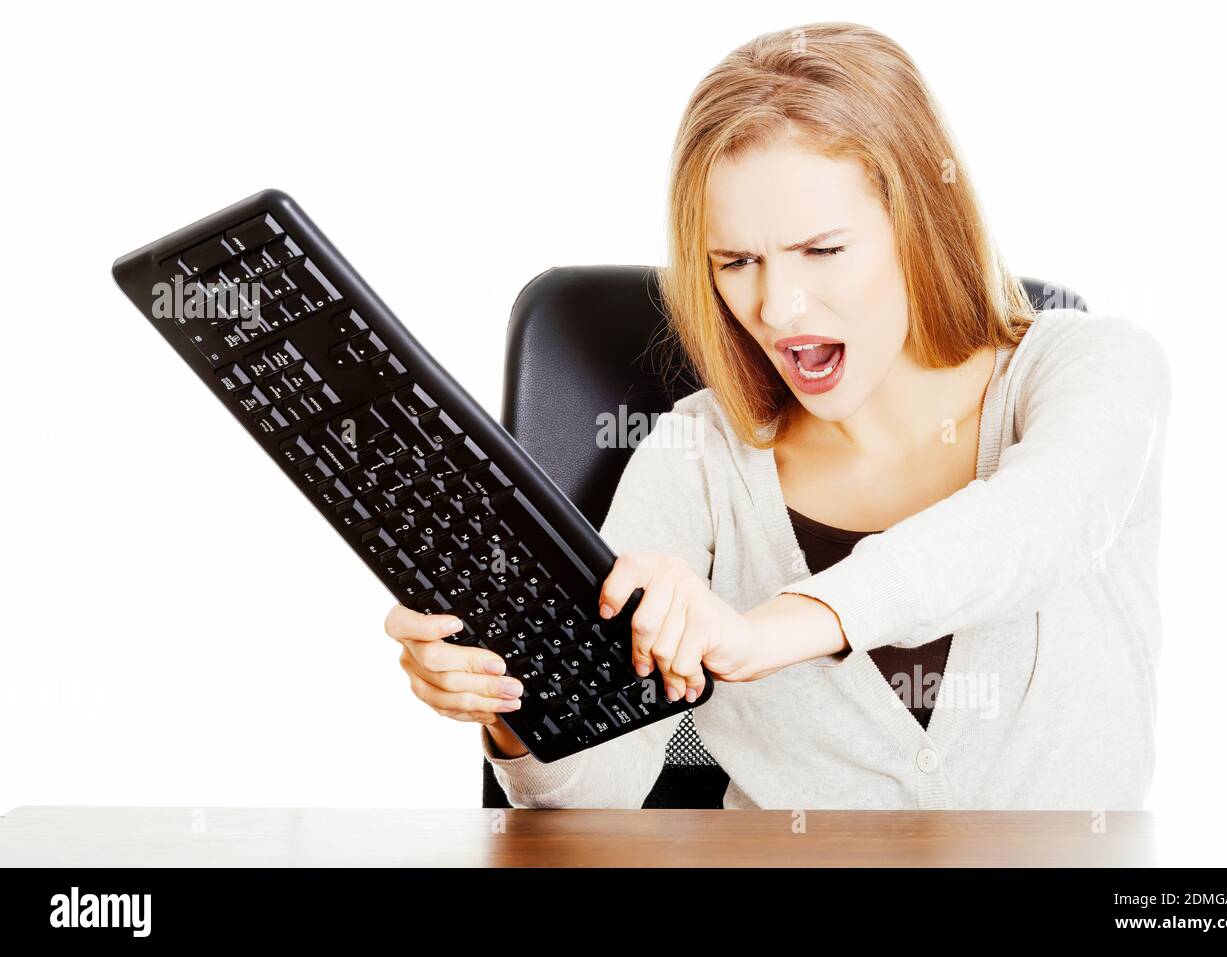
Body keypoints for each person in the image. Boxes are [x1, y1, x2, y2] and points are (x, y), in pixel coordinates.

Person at [385, 21, 1172, 809]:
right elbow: (595, 800)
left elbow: (1033, 526)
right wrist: (518, 709)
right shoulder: (695, 457)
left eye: (823, 250)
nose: (778, 306)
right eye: (737, 261)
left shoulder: (1093, 366)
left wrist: (763, 632)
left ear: (922, 228)